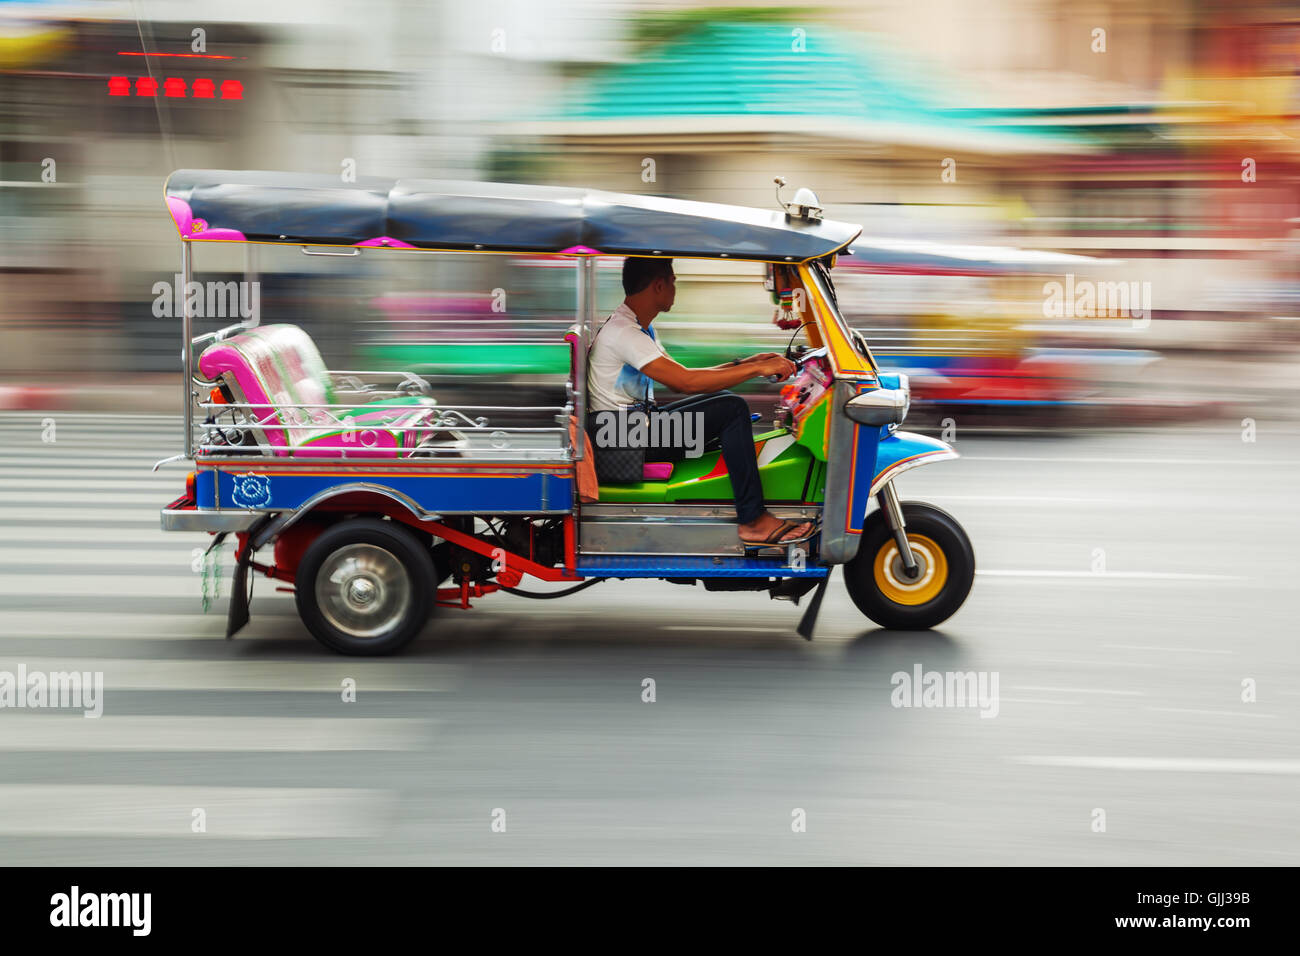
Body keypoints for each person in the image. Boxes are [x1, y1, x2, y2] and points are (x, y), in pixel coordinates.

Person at [586, 256, 814, 546]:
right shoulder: (625, 333)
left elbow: (682, 378)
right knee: (732, 409)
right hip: (621, 438)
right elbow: (685, 382)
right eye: (673, 282)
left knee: (724, 401)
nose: (674, 288)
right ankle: (753, 520)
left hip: (627, 429)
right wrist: (755, 369)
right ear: (658, 286)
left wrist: (745, 363)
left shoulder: (636, 327)